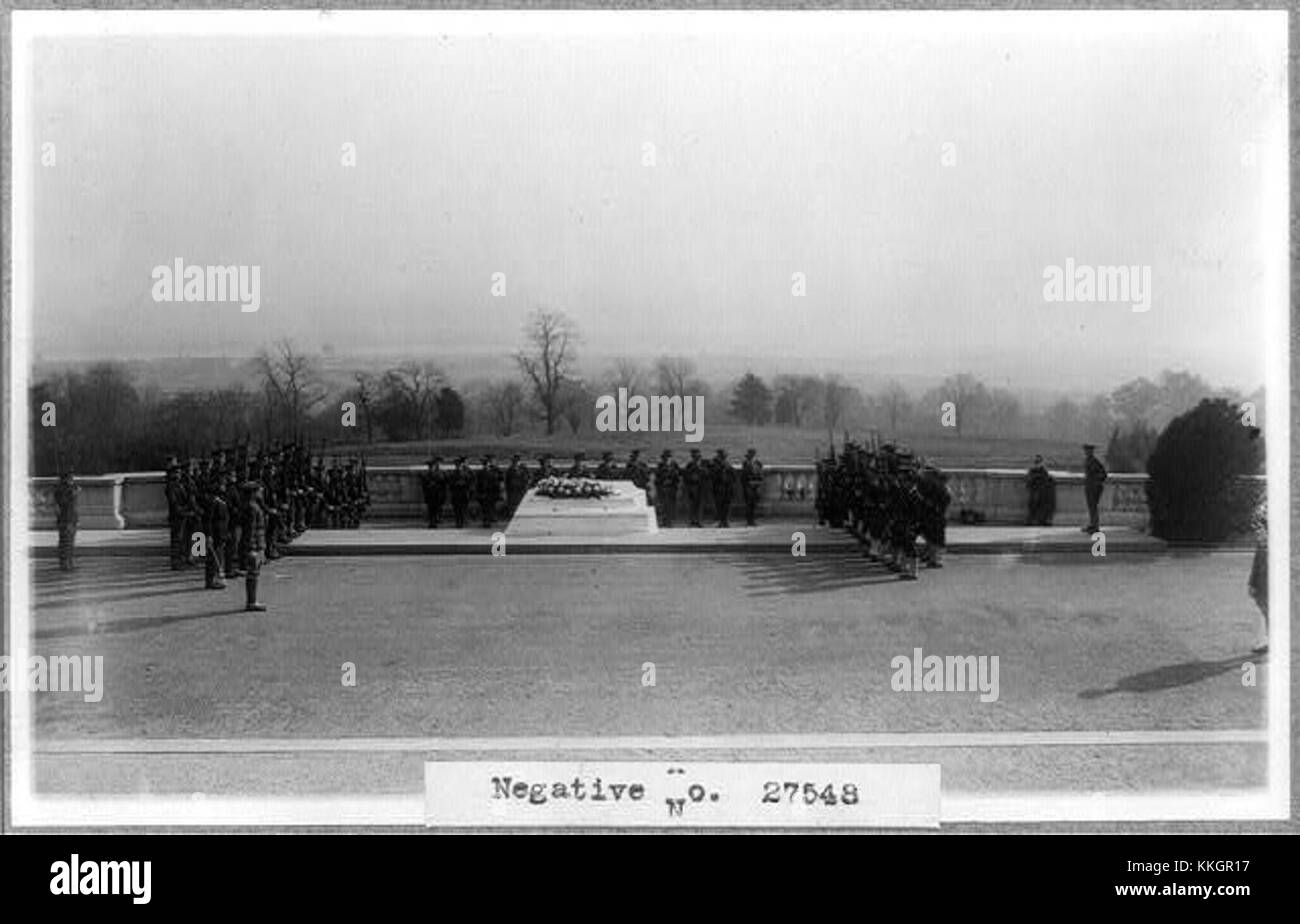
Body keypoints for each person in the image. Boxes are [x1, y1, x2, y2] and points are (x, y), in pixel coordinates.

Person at [241, 481, 268, 612]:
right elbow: (250, 530)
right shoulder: (252, 508)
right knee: (253, 573)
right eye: (258, 490)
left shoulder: (252, 505)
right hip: (254, 545)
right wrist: (253, 548)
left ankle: (252, 600)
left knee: (254, 573)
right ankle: (251, 602)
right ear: (252, 493)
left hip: (256, 544)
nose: (261, 492)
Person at [54, 470, 79, 572]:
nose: (72, 480)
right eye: (70, 478)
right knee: (66, 542)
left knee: (70, 542)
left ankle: (69, 562)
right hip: (65, 519)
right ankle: (65, 564)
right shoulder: (62, 490)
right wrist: (73, 493)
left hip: (71, 518)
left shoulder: (69, 489)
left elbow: (73, 506)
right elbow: (63, 503)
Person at [1082, 444, 1107, 533]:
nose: (1086, 452)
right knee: (1091, 507)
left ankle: (1095, 526)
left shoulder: (1093, 461)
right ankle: (1093, 524)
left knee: (1093, 507)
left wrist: (1096, 482)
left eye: (1087, 450)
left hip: (1093, 487)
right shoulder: (1090, 461)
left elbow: (1103, 474)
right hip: (1090, 487)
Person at [1025, 454, 1055, 526]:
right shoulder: (1037, 470)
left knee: (1038, 505)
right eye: (1036, 462)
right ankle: (1034, 520)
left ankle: (1038, 520)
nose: (1037, 463)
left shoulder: (1041, 471)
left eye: (1038, 462)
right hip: (1037, 491)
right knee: (1034, 505)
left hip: (1040, 492)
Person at [653, 449, 681, 527]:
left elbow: (678, 475)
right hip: (663, 488)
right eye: (665, 457)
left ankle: (669, 521)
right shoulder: (661, 465)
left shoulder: (674, 465)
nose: (667, 459)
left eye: (668, 457)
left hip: (671, 488)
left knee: (670, 505)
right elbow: (657, 476)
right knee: (663, 505)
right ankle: (664, 520)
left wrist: (672, 476)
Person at [710, 448, 735, 528]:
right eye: (722, 455)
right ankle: (721, 521)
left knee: (726, 505)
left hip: (727, 487)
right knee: (719, 505)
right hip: (719, 487)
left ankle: (725, 521)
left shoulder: (727, 463)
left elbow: (732, 474)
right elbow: (713, 475)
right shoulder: (714, 463)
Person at [682, 448, 706, 527]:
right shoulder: (690, 465)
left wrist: (701, 469)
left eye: (697, 456)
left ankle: (699, 521)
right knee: (692, 505)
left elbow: (708, 474)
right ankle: (692, 520)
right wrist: (691, 478)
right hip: (692, 487)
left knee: (700, 505)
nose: (696, 458)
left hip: (701, 487)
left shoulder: (703, 464)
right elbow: (685, 476)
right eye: (694, 456)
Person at [740, 448, 764, 527]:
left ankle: (752, 520)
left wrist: (758, 483)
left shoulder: (758, 463)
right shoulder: (745, 463)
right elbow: (743, 476)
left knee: (754, 504)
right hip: (748, 486)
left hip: (756, 486)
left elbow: (761, 474)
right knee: (748, 504)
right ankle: (749, 520)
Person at [477, 454, 503, 527]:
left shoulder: (494, 471)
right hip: (484, 493)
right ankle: (486, 521)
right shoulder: (481, 472)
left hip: (490, 493)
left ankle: (488, 521)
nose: (485, 465)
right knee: (485, 508)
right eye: (484, 463)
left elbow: (498, 482)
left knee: (490, 508)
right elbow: (478, 484)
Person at [421, 457, 446, 529]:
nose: (432, 468)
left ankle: (435, 521)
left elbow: (442, 482)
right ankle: (431, 522)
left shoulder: (439, 474)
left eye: (432, 466)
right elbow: (424, 485)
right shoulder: (426, 474)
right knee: (430, 509)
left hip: (437, 494)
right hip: (430, 494)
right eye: (430, 467)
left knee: (436, 509)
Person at [449, 457, 472, 528]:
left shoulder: (466, 473)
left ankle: (461, 521)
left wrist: (463, 484)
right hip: (456, 494)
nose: (458, 467)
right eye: (457, 465)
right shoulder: (453, 473)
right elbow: (450, 484)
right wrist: (456, 484)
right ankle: (458, 522)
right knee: (457, 509)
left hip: (463, 493)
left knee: (462, 509)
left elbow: (470, 482)